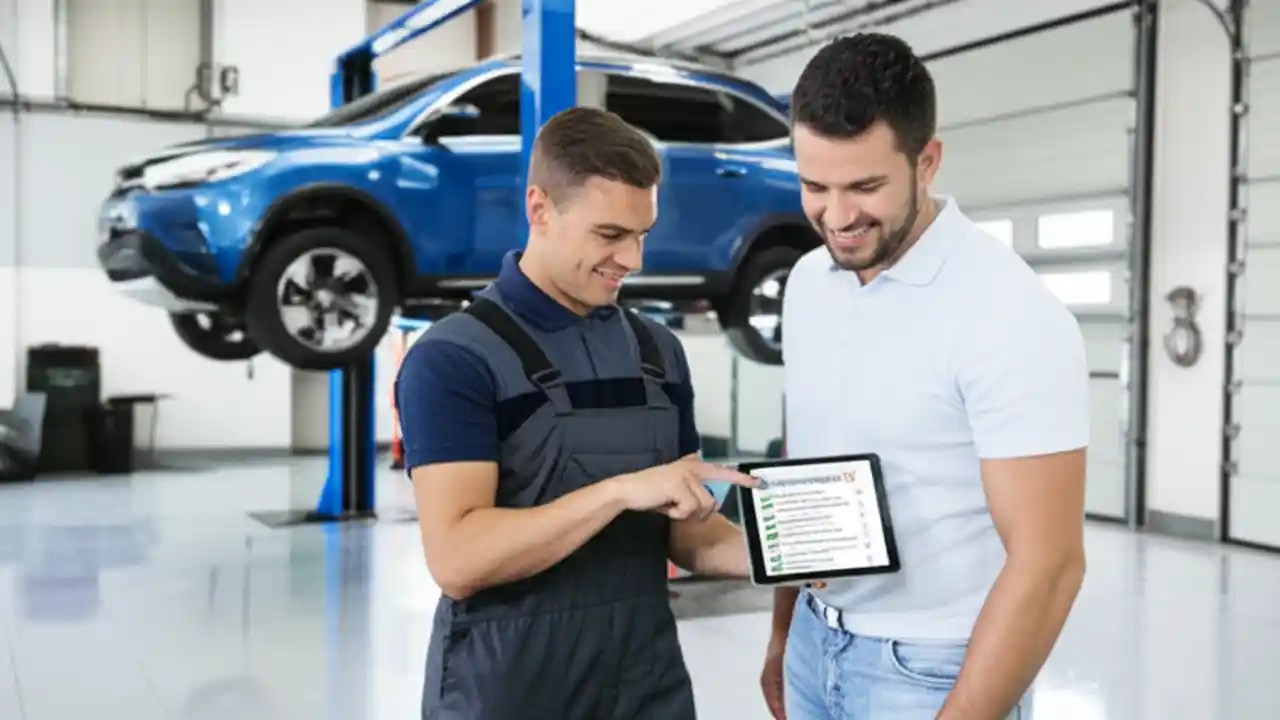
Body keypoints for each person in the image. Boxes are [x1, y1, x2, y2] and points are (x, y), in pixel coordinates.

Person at [760, 33, 1090, 720]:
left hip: (932, 669)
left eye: (866, 186)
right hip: (815, 646)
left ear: (928, 160)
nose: (838, 216)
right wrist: (785, 634)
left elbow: (1050, 566)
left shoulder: (1006, 311)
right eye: (814, 185)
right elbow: (806, 464)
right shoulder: (809, 282)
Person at [395, 106, 757, 720]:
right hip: (509, 690)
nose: (634, 259)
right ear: (540, 209)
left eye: (642, 234)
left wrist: (793, 555)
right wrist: (617, 493)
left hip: (644, 685)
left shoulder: (656, 353)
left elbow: (688, 531)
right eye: (610, 235)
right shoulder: (455, 357)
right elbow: (457, 559)